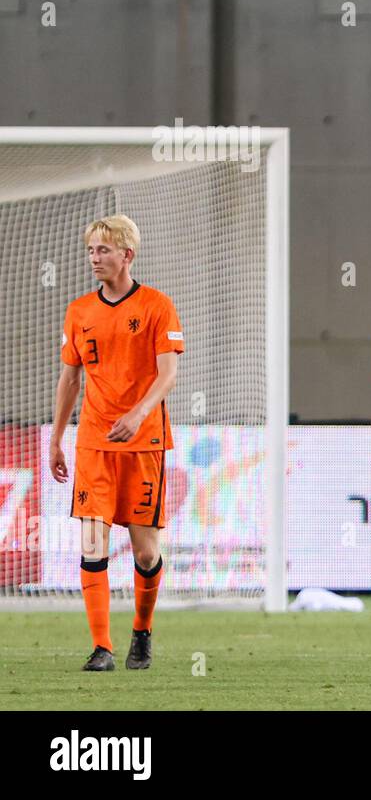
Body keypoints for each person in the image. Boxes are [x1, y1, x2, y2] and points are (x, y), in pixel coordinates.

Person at [50, 215, 183, 671]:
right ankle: (102, 648)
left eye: (103, 250)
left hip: (144, 445)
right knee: (92, 544)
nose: (94, 258)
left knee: (146, 552)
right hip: (94, 445)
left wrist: (137, 414)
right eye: (90, 250)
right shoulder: (79, 311)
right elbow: (69, 379)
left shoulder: (157, 306)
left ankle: (141, 633)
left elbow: (168, 373)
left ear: (127, 254)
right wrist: (56, 440)